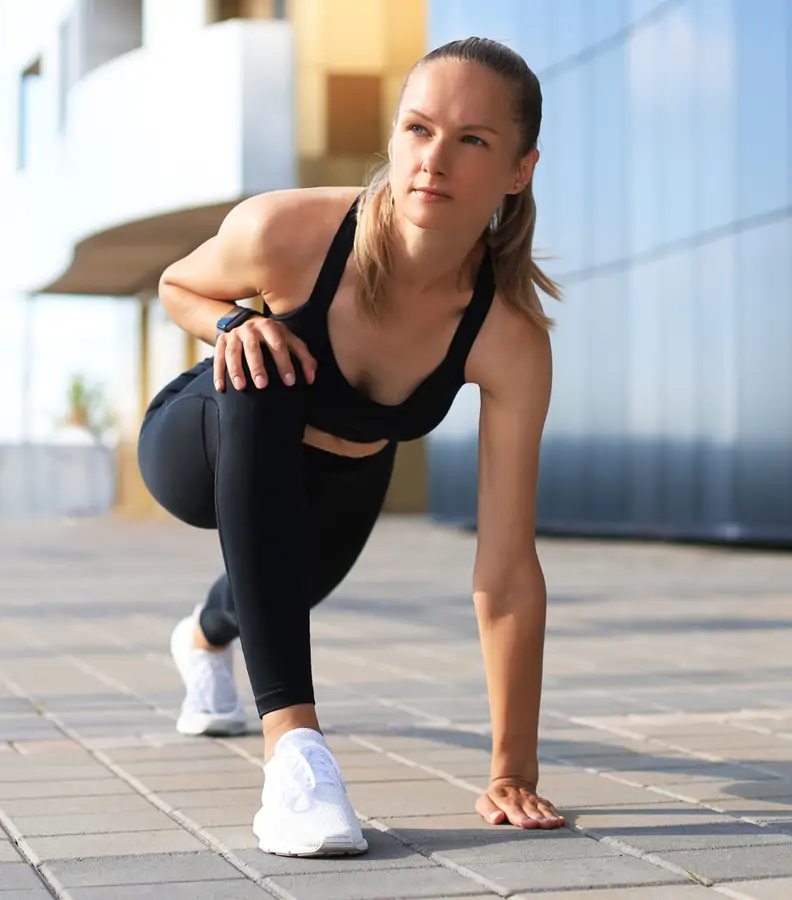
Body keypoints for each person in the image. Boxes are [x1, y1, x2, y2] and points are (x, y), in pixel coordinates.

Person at [137, 36, 565, 858]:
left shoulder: (508, 338)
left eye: (472, 140)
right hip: (201, 442)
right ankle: (295, 759)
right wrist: (235, 322)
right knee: (266, 372)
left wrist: (512, 768)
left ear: (519, 169)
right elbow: (177, 283)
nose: (434, 159)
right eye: (419, 128)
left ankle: (202, 637)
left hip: (340, 485)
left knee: (277, 595)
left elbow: (507, 566)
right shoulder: (291, 229)